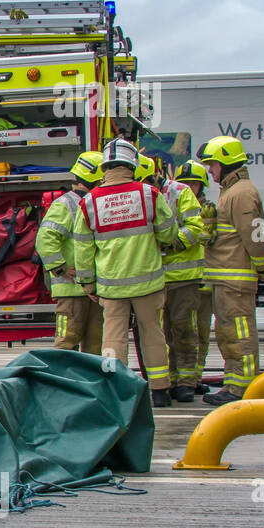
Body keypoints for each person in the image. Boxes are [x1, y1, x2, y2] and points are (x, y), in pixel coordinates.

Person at [73, 139, 177, 407]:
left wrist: (88, 284)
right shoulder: (150, 194)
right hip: (149, 283)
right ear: (132, 165)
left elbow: (83, 250)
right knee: (153, 333)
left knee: (113, 337)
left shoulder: (88, 203)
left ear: (105, 166)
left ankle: (117, 392)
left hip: (111, 287)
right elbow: (168, 233)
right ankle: (160, 390)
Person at [197, 136, 264, 405]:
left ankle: (243, 389)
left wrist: (263, 265)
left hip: (234, 281)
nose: (209, 170)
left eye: (213, 164)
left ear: (227, 161)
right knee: (230, 336)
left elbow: (255, 236)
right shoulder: (231, 192)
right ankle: (233, 384)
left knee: (240, 336)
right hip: (226, 280)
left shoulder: (240, 192)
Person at [37, 151, 104, 353]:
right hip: (71, 291)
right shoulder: (66, 204)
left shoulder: (93, 201)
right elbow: (45, 239)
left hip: (93, 289)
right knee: (66, 344)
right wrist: (61, 269)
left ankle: (89, 384)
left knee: (95, 347)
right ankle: (64, 384)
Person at [176, 160, 216, 395]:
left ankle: (196, 376)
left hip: (205, 280)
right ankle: (184, 378)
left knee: (201, 332)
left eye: (194, 183)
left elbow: (207, 239)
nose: (190, 188)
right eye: (185, 183)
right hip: (183, 280)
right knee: (182, 331)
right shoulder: (176, 206)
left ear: (202, 186)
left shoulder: (209, 209)